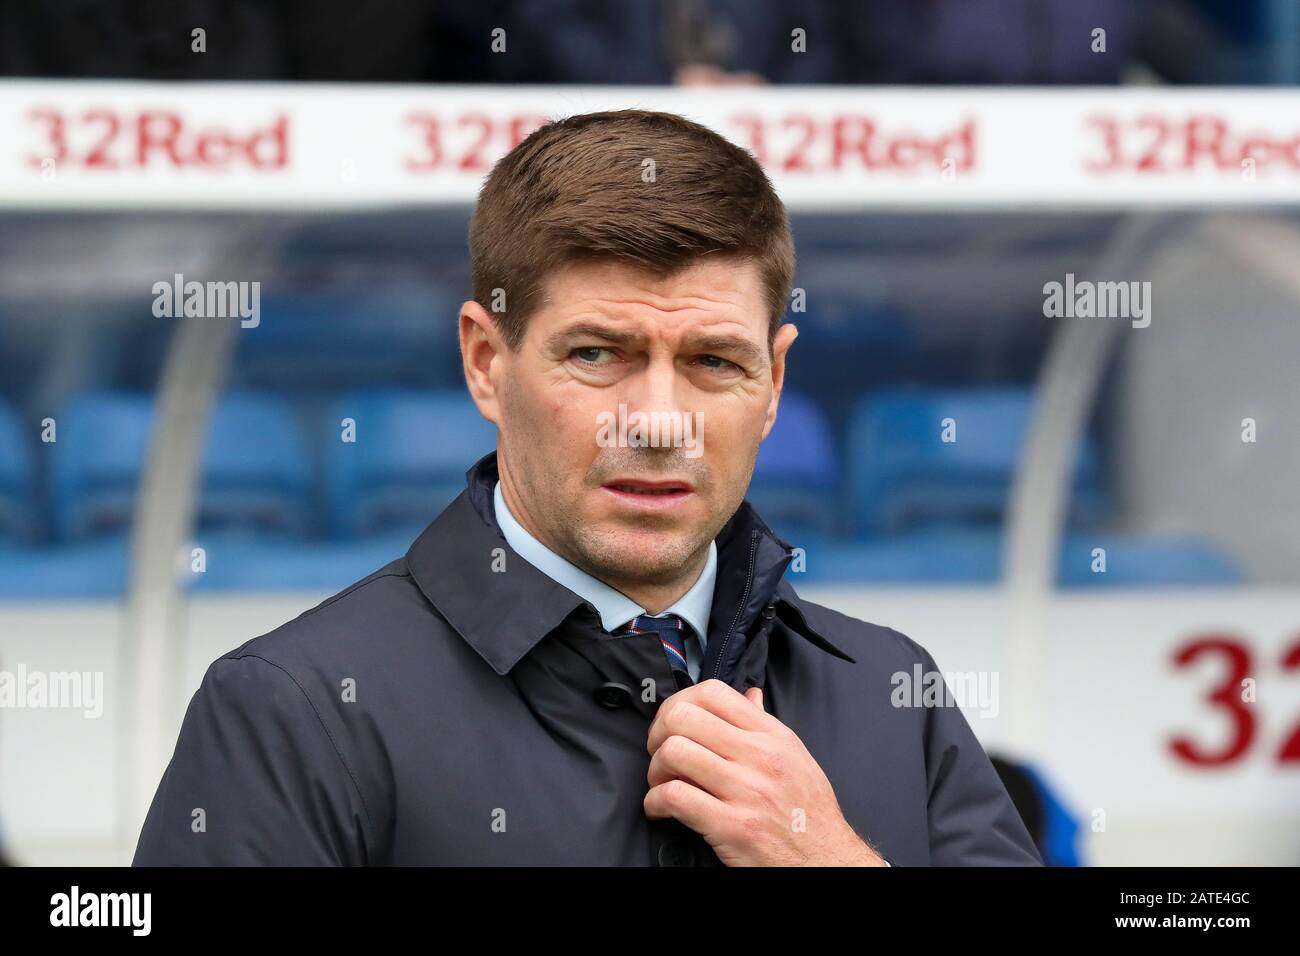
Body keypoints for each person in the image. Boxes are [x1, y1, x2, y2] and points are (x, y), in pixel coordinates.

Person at [133, 109, 1042, 867]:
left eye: (713, 361)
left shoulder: (895, 689)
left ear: (773, 383)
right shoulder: (295, 709)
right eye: (598, 354)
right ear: (487, 362)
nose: (658, 421)